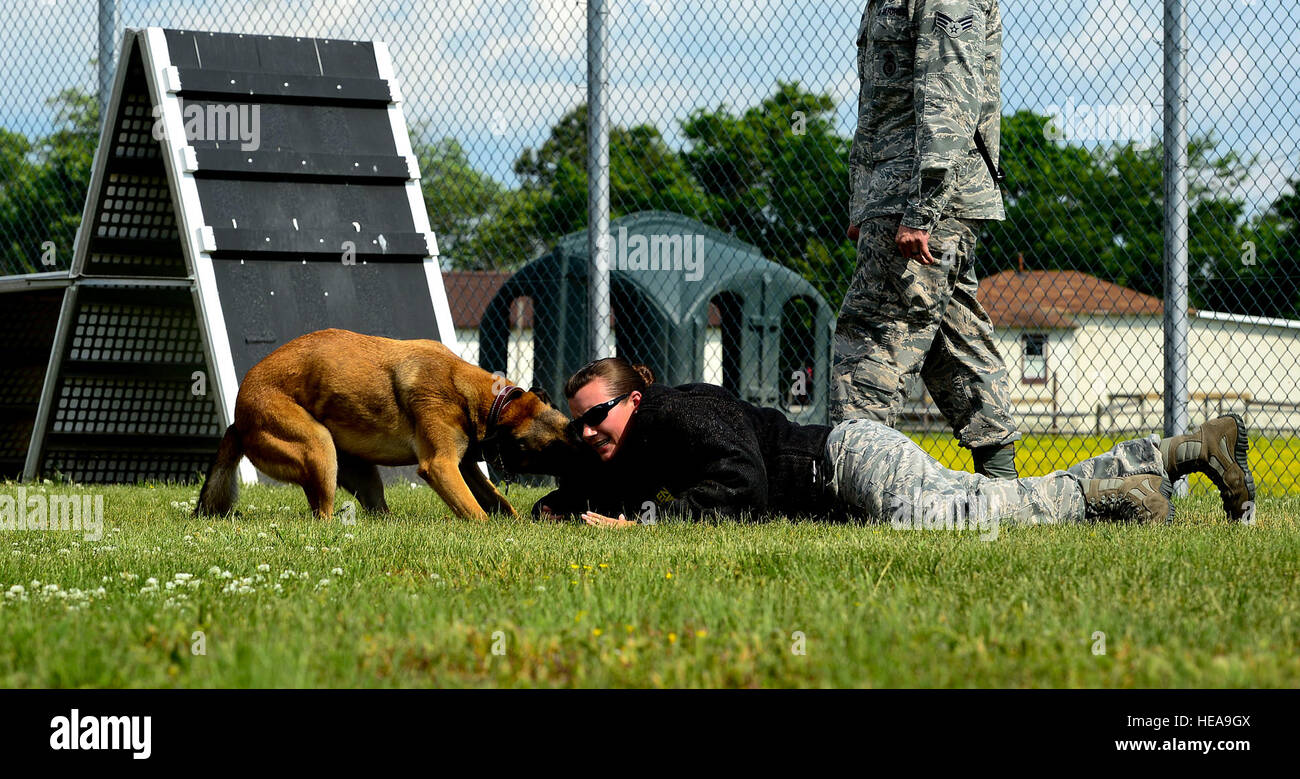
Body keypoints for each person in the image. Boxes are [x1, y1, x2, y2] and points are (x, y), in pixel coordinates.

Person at [532, 357, 1257, 529]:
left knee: (982, 516)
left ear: (635, 397)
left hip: (848, 467)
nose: (588, 429)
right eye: (579, 423)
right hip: (854, 462)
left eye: (598, 414)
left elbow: (743, 485)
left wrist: (652, 524)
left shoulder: (682, 411)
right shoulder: (629, 446)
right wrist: (549, 513)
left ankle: (1121, 489)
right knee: (1001, 497)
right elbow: (598, 497)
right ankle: (1179, 453)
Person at [832, 0, 1020, 481]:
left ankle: (849, 478)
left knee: (872, 327)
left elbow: (947, 101)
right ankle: (1001, 480)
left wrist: (918, 210)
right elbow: (884, 108)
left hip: (927, 197)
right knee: (948, 336)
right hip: (902, 193)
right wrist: (866, 204)